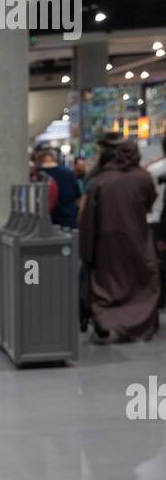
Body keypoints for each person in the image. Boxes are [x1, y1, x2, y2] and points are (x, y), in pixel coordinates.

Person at [79, 134, 158, 343]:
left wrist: (86, 250)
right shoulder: (143, 177)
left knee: (109, 285)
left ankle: (109, 324)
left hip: (107, 242)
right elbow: (149, 202)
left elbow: (89, 217)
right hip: (137, 237)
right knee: (139, 283)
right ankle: (139, 325)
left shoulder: (101, 181)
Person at [143, 135, 166, 309]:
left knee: (159, 262)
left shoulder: (153, 170)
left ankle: (160, 298)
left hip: (156, 219)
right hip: (158, 217)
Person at [37, 148, 81, 230]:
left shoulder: (37, 174)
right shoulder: (68, 173)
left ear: (40, 160)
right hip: (68, 219)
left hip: (45, 222)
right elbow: (77, 196)